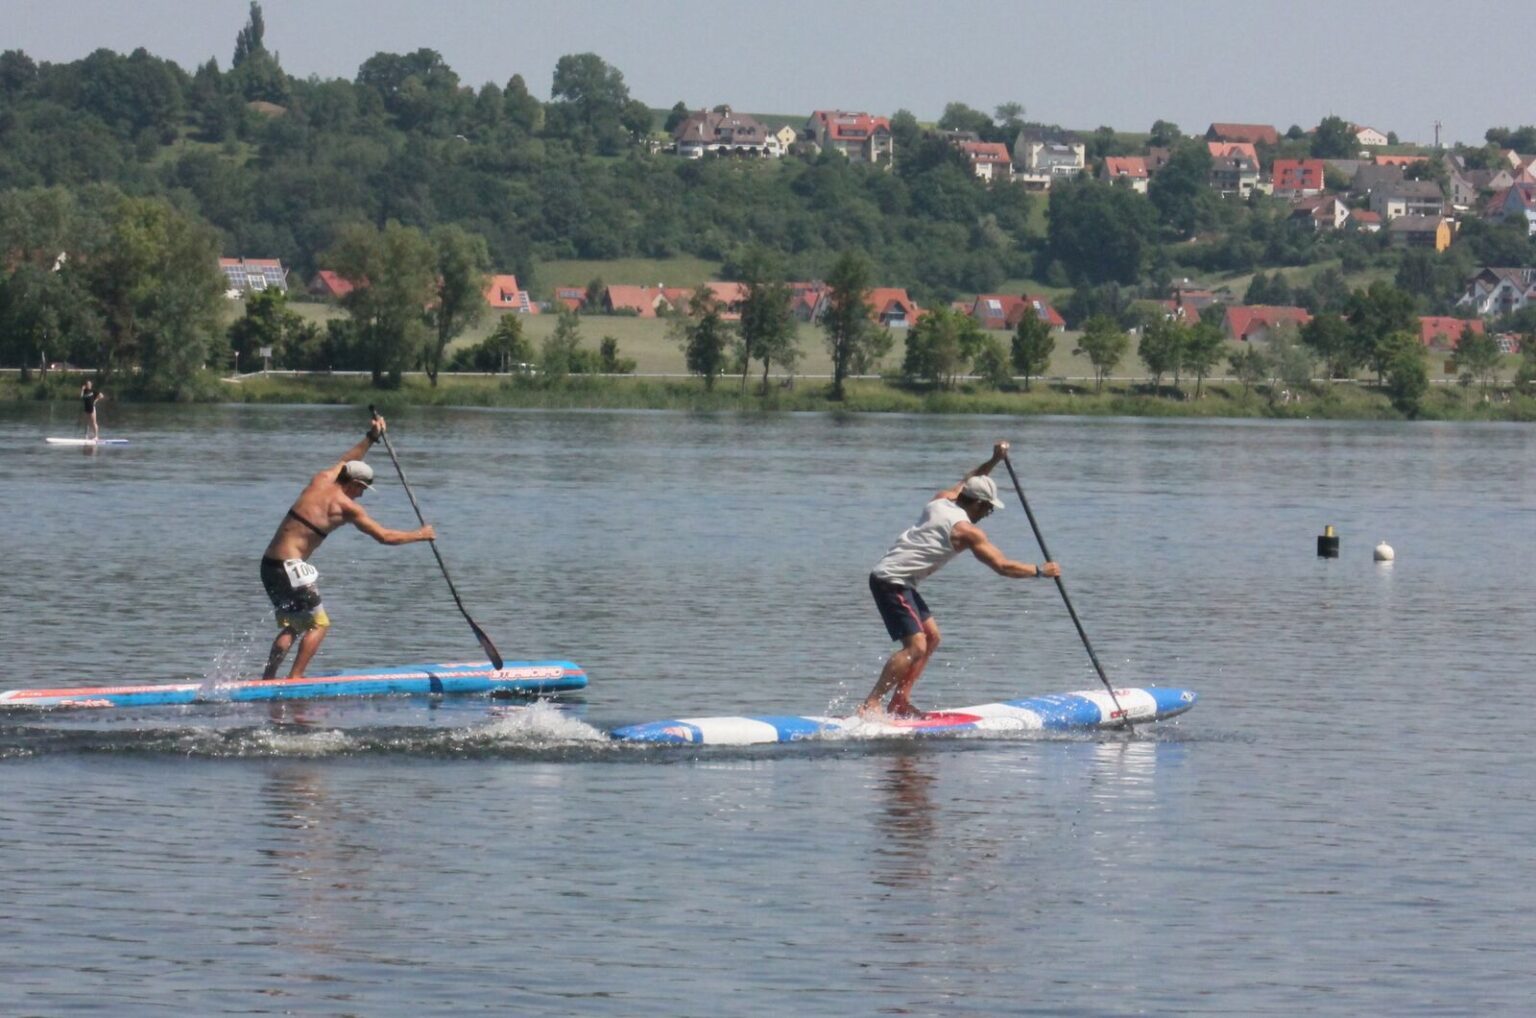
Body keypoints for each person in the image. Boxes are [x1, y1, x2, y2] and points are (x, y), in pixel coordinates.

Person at [861, 441, 1061, 719]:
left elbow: (969, 480)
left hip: (901, 581)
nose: (987, 516)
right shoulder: (966, 531)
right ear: (978, 504)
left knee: (932, 638)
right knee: (916, 646)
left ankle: (900, 701)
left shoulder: (942, 499)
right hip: (890, 581)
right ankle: (871, 703)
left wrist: (994, 460)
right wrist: (1040, 571)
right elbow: (1002, 566)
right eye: (988, 509)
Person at [260, 414, 435, 679]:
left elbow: (347, 460)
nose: (362, 494)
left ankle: (267, 680)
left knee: (295, 624)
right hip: (290, 568)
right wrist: (420, 535)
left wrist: (372, 436)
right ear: (353, 483)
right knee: (319, 624)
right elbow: (385, 536)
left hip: (269, 565)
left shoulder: (321, 479)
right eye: (362, 488)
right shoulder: (346, 507)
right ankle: (295, 678)